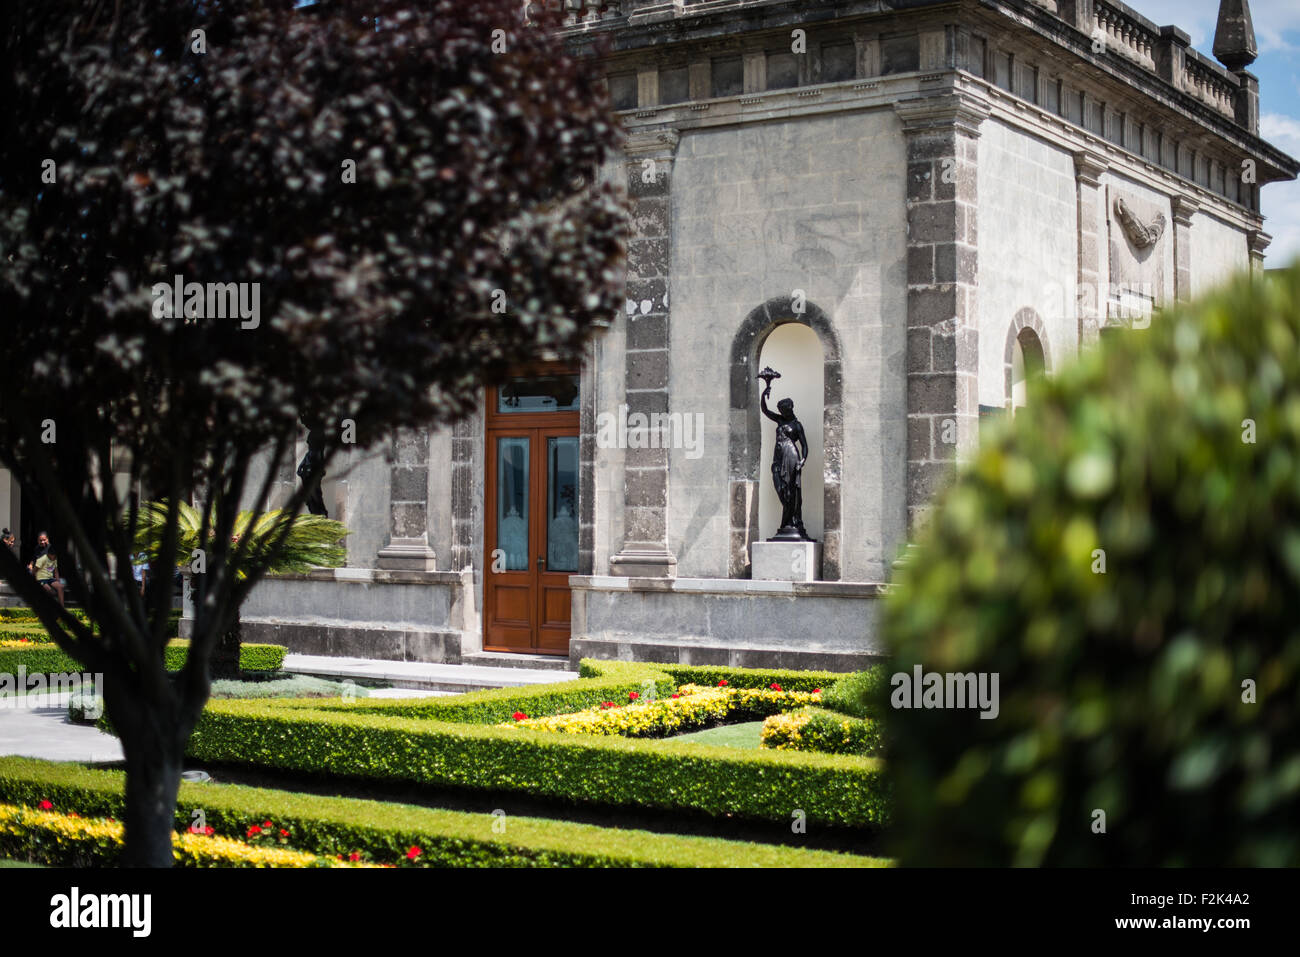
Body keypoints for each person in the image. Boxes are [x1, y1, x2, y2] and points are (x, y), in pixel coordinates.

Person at [760, 381, 811, 541]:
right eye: (781, 410)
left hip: (791, 457)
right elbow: (765, 410)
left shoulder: (797, 425)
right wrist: (764, 393)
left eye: (784, 410)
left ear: (789, 409)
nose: (781, 412)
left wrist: (802, 460)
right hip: (779, 458)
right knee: (781, 488)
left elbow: (804, 445)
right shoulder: (780, 420)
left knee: (792, 491)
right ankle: (788, 521)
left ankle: (793, 522)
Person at [27, 531, 64, 607]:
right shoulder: (37, 549)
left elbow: (55, 569)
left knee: (59, 587)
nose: (42, 542)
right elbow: (34, 559)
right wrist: (31, 565)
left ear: (48, 539)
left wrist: (57, 580)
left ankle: (62, 608)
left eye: (44, 540)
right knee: (49, 590)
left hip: (49, 575)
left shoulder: (51, 550)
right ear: (38, 540)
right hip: (40, 575)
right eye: (40, 540)